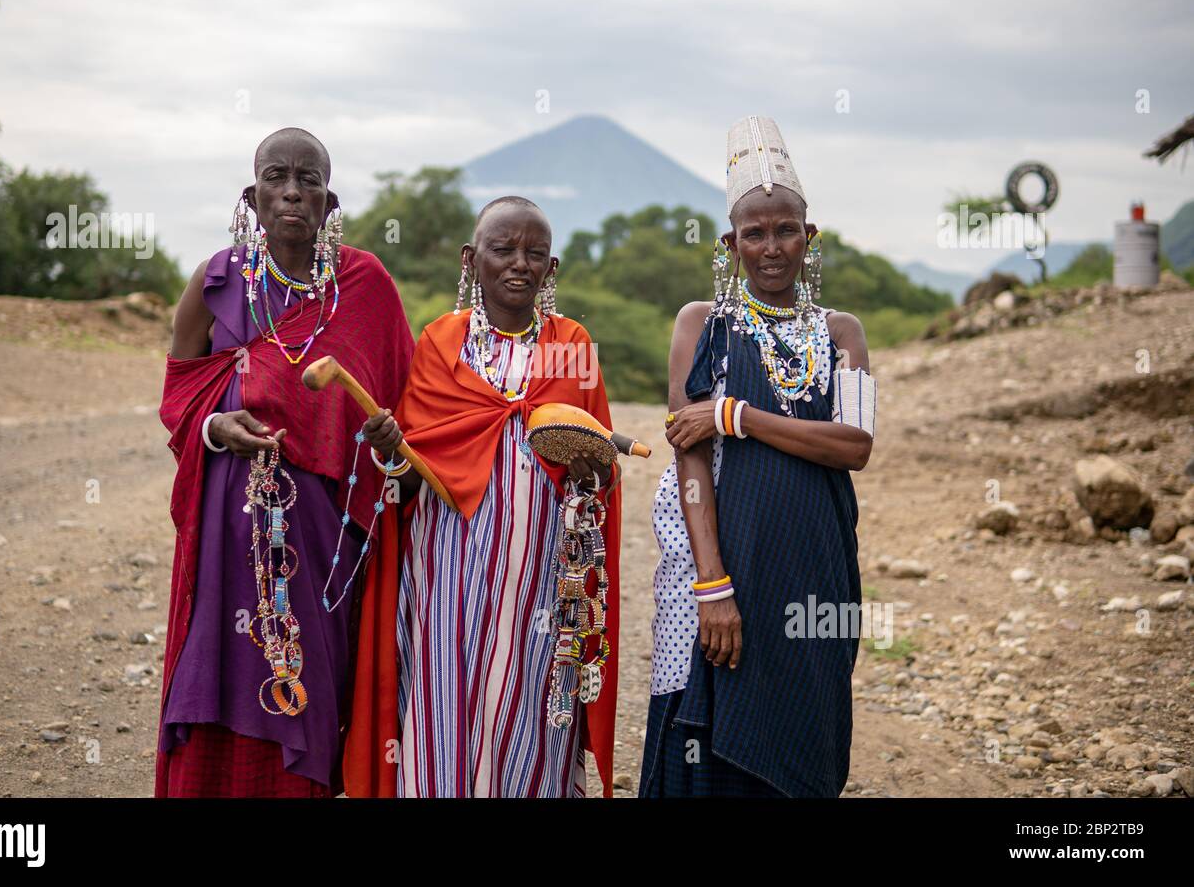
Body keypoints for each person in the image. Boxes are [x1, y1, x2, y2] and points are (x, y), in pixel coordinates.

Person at [155, 128, 413, 797]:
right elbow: (180, 395)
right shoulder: (217, 280)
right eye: (276, 177)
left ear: (330, 203)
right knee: (218, 666)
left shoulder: (365, 287)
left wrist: (391, 445)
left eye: (308, 180)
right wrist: (215, 427)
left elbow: (403, 407)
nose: (292, 190)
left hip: (320, 535)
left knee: (308, 677)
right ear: (253, 195)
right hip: (226, 527)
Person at [344, 196, 623, 797]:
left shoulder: (572, 344)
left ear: (552, 270)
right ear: (472, 260)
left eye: (535, 254)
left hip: (542, 571)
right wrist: (393, 450)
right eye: (503, 250)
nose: (519, 264)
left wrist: (590, 465)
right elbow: (412, 476)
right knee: (442, 694)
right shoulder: (441, 343)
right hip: (446, 564)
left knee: (530, 700)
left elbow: (604, 481)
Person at [639, 116, 876, 797]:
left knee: (808, 734)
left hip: (817, 565)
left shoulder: (843, 334)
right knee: (713, 750)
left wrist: (736, 415)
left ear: (810, 236)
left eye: (785, 230)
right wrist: (711, 586)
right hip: (731, 572)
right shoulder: (701, 325)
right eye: (755, 233)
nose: (771, 247)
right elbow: (690, 462)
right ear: (731, 243)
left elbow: (854, 447)